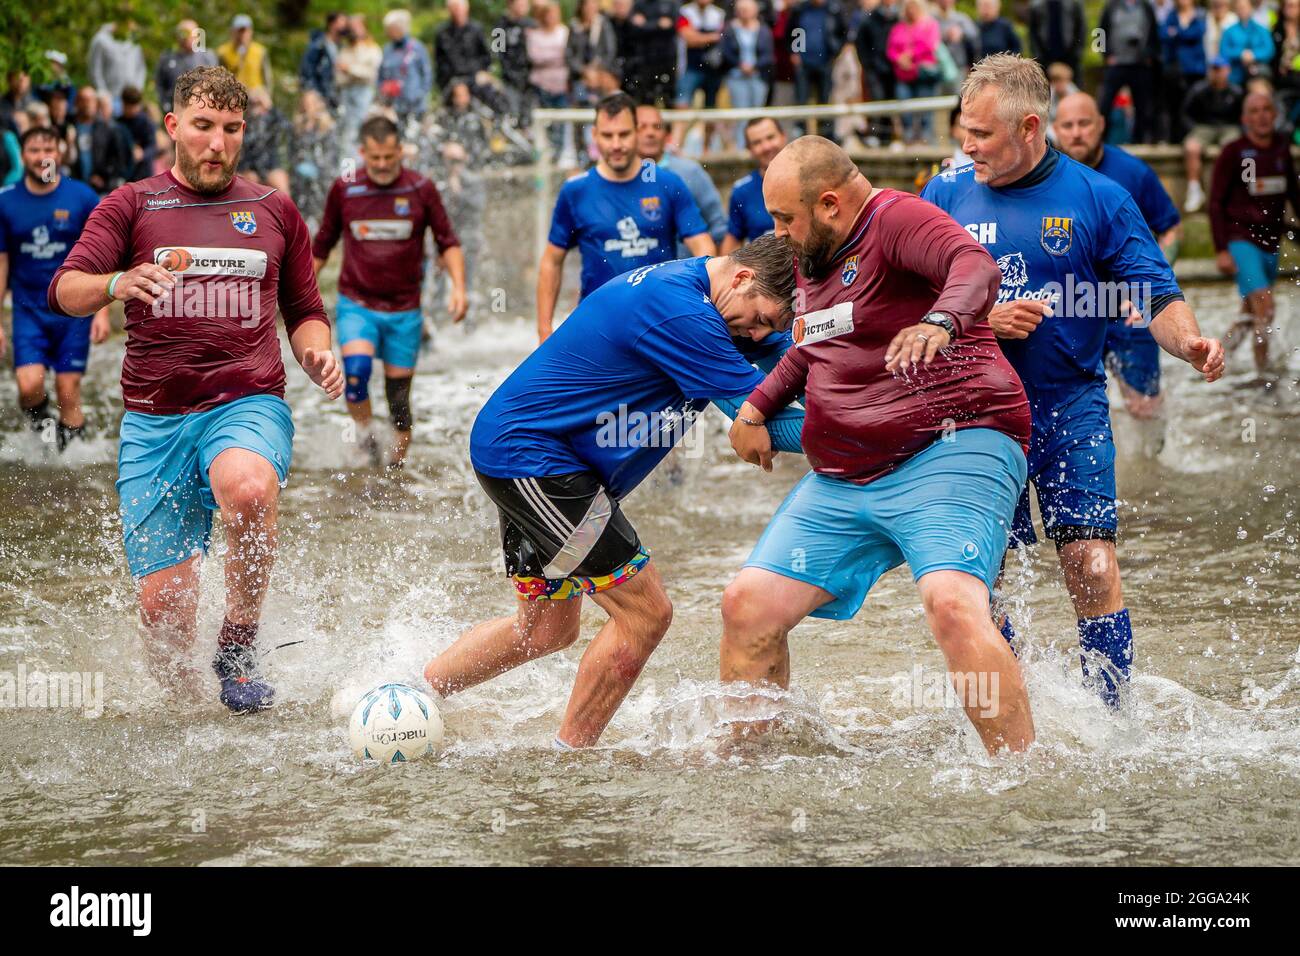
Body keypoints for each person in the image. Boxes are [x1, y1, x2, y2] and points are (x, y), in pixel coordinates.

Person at [922, 55, 1224, 709]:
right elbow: (907, 302)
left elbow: (1160, 296)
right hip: (976, 416)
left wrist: (1190, 343)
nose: (965, 145)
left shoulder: (1099, 198)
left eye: (980, 134)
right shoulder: (944, 193)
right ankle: (1015, 707)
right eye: (963, 131)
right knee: (983, 579)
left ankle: (1110, 719)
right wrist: (979, 319)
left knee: (1090, 565)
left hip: (1070, 407)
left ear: (1030, 127)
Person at [721, 135, 1036, 755]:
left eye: (786, 218)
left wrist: (940, 322)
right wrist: (756, 407)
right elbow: (810, 348)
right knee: (746, 604)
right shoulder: (815, 260)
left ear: (832, 203)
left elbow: (975, 267)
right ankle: (748, 777)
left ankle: (1023, 778)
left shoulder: (896, 219)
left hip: (954, 447)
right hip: (847, 477)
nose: (777, 234)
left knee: (949, 602)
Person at [423, 234, 803, 747]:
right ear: (742, 278)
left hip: (535, 459)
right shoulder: (684, 313)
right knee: (645, 612)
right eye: (761, 319)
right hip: (535, 463)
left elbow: (792, 360)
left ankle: (409, 696)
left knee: (545, 629)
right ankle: (571, 759)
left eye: (769, 328)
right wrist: (882, 433)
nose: (758, 336)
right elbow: (754, 423)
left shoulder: (718, 304)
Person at [46, 66, 343, 712]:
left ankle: (238, 646)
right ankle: (195, 725)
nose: (217, 143)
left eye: (231, 130)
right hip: (155, 424)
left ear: (244, 132)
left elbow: (305, 308)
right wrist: (116, 284)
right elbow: (65, 289)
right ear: (174, 126)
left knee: (249, 487)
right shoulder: (131, 205)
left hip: (246, 402)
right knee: (164, 623)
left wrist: (318, 353)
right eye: (203, 127)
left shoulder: (273, 210)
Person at [312, 115, 466, 469]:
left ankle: (395, 474)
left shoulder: (421, 189)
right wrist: (296, 295)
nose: (382, 166)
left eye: (389, 157)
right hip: (357, 304)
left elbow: (448, 242)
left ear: (400, 151)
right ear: (363, 153)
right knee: (356, 375)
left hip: (404, 311)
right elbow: (322, 246)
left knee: (399, 402)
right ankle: (365, 434)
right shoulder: (345, 188)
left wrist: (460, 288)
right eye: (375, 158)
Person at [537, 93, 714, 341]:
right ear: (595, 135)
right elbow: (551, 262)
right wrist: (544, 330)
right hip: (597, 324)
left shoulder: (666, 183)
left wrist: (702, 305)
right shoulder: (575, 191)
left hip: (661, 320)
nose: (616, 144)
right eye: (608, 136)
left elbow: (702, 246)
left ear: (637, 133)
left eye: (624, 134)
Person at [1052, 92, 1182, 422]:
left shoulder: (1133, 172)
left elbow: (1171, 230)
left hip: (1129, 308)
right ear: (1054, 129)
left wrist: (1150, 287)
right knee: (1074, 405)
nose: (1076, 132)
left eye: (1084, 123)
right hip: (1072, 307)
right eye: (1067, 125)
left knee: (1143, 405)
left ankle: (1154, 465)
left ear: (1101, 125)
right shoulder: (1043, 177)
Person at [0, 127, 109, 450]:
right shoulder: (6, 201)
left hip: (74, 310)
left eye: (49, 149)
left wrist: (102, 311)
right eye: (34, 150)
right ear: (23, 156)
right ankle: (44, 438)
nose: (42, 156)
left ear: (60, 154)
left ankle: (70, 460)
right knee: (29, 386)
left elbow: (102, 256)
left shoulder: (83, 198)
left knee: (68, 388)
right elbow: (1, 263)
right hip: (28, 309)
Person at [1209, 91, 1300, 372]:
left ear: (1274, 115)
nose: (1261, 116)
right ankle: (1264, 376)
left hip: (1271, 243)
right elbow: (1215, 202)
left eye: (1266, 109)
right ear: (1244, 119)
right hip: (1241, 240)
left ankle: (1215, 360)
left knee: (1249, 315)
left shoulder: (1281, 150)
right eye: (1255, 111)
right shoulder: (1233, 152)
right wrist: (1222, 249)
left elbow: (1293, 196)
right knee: (1266, 307)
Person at [635, 104, 727, 254]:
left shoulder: (689, 172)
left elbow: (718, 224)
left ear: (667, 134)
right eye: (642, 127)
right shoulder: (620, 179)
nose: (650, 133)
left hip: (685, 271)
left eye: (656, 127)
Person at [1181, 57, 1244, 213]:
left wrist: (1241, 131)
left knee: (1232, 149)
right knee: (1191, 147)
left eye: (1219, 69)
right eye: (1213, 69)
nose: (1216, 73)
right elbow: (1185, 113)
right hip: (1204, 126)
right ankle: (1194, 190)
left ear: (1227, 70)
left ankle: (1233, 190)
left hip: (1229, 127)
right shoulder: (1198, 90)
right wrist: (1193, 128)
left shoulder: (1237, 92)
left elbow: (1243, 116)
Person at [1098, 0, 1160, 144]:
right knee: (1105, 104)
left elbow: (1154, 33)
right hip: (1116, 64)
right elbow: (1099, 32)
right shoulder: (1111, 6)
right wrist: (1105, 56)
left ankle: (1140, 141)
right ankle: (1100, 140)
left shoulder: (1146, 7)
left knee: (1143, 106)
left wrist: (1149, 55)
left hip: (1140, 65)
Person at [721, 116, 787, 253]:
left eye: (770, 137)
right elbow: (731, 245)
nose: (766, 147)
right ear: (749, 149)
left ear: (783, 136)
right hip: (766, 270)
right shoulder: (742, 192)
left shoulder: (808, 180)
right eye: (757, 142)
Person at [789, 0, 849, 130]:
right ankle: (801, 132)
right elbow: (792, 31)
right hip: (803, 64)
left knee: (825, 100)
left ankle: (826, 134)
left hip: (826, 63)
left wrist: (836, 53)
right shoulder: (800, 10)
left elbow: (843, 33)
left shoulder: (834, 9)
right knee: (801, 100)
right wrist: (794, 51)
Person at [723, 0, 776, 148]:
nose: (744, 12)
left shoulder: (764, 30)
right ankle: (742, 149)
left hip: (758, 76)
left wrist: (754, 66)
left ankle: (757, 145)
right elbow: (725, 52)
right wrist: (740, 65)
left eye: (747, 9)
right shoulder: (730, 29)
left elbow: (768, 55)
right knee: (742, 115)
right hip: (736, 76)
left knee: (757, 115)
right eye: (741, 9)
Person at [888, 0, 942, 145]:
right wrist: (900, 58)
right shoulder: (898, 28)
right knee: (904, 105)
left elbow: (930, 45)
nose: (911, 11)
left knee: (925, 106)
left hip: (923, 73)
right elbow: (891, 49)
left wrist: (910, 56)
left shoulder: (929, 25)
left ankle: (926, 137)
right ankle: (909, 136)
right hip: (903, 74)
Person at [289, 89, 339, 230]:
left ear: (318, 104)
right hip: (300, 175)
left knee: (318, 195)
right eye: (305, 103)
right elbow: (292, 153)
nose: (308, 106)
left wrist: (318, 169)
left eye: (311, 103)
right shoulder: (298, 126)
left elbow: (332, 155)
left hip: (323, 174)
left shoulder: (328, 126)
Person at [69, 86, 130, 196]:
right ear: (76, 103)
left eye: (90, 100)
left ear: (96, 104)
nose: (86, 104)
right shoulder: (69, 126)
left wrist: (103, 176)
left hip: (99, 190)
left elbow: (117, 159)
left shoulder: (107, 129)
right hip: (74, 186)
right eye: (83, 100)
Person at [379, 9, 434, 128]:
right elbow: (381, 75)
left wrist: (421, 94)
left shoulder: (417, 48)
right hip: (394, 105)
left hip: (415, 104)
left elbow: (427, 74)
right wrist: (383, 90)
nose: (388, 32)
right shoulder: (387, 50)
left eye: (391, 29)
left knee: (415, 137)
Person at [337, 15, 384, 153]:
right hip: (346, 92)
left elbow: (372, 73)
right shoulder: (345, 49)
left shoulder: (372, 49)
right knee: (347, 135)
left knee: (361, 132)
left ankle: (363, 170)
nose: (354, 30)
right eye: (352, 27)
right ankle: (348, 174)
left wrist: (350, 69)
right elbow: (338, 75)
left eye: (357, 26)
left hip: (364, 92)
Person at [155, 20, 219, 115]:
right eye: (182, 33)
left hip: (203, 111)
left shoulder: (208, 58)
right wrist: (165, 104)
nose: (185, 37)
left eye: (190, 33)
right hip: (175, 111)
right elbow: (160, 85)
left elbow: (217, 83)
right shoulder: (167, 59)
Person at [237, 88, 290, 194]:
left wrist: (270, 108)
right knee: (245, 185)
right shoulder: (246, 121)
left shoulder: (273, 119)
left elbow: (286, 127)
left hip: (271, 164)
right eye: (253, 104)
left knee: (281, 185)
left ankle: (286, 210)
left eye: (259, 103)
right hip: (249, 165)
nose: (257, 107)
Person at [631, 0, 683, 106]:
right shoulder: (639, 3)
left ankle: (668, 123)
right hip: (646, 59)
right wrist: (658, 24)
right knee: (647, 98)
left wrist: (646, 24)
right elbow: (635, 28)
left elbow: (674, 26)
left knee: (668, 98)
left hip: (667, 59)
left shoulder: (672, 3)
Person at [88, 22, 147, 111]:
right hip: (109, 99)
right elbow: (95, 69)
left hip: (130, 99)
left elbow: (141, 69)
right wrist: (102, 92)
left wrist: (137, 90)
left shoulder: (134, 40)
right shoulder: (101, 39)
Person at [495, 0, 537, 124]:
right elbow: (498, 53)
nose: (522, 8)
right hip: (509, 79)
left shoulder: (532, 25)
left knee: (529, 116)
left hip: (530, 81)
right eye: (519, 4)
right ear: (510, 5)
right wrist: (510, 73)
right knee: (512, 113)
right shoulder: (500, 26)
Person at [299, 11, 349, 112]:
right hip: (319, 93)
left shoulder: (343, 47)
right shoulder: (318, 45)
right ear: (332, 24)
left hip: (336, 96)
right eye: (342, 22)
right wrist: (310, 91)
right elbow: (306, 69)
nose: (345, 25)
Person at [1221, 0, 1276, 86]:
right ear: (1235, 10)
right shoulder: (1229, 31)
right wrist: (1241, 54)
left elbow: (1269, 50)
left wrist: (1253, 55)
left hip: (1258, 75)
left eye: (1244, 7)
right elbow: (1224, 51)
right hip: (1235, 76)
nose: (1242, 10)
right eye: (1239, 8)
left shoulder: (1261, 30)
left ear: (1251, 8)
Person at [1027, 0, 1086, 80]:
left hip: (1070, 59)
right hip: (1044, 59)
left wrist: (1076, 55)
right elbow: (1032, 33)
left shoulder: (1074, 4)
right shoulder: (1036, 5)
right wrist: (1038, 56)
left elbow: (1081, 30)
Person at [217, 15, 273, 95]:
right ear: (232, 32)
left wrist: (267, 95)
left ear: (251, 32)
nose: (242, 35)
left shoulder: (260, 51)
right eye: (239, 31)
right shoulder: (223, 52)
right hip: (233, 94)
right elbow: (219, 78)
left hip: (256, 95)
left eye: (244, 31)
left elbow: (267, 78)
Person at [117, 87, 156, 183]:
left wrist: (143, 154)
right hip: (123, 173)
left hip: (143, 174)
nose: (130, 110)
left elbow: (153, 146)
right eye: (127, 107)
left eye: (133, 107)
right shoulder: (118, 123)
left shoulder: (146, 123)